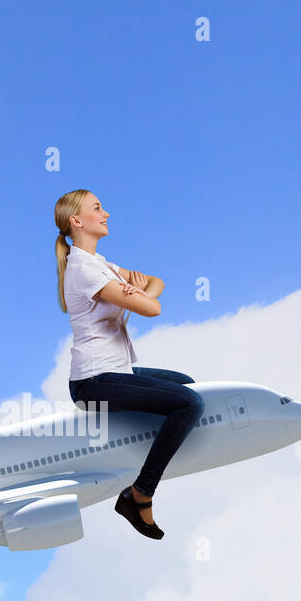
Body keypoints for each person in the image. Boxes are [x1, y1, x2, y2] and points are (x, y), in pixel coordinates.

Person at [54, 188, 204, 540]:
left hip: (115, 370)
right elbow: (154, 307)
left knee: (185, 382)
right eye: (97, 208)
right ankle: (139, 495)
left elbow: (156, 283)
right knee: (189, 403)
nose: (106, 213)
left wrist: (139, 292)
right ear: (77, 221)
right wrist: (138, 295)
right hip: (93, 382)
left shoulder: (100, 263)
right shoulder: (83, 270)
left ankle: (147, 455)